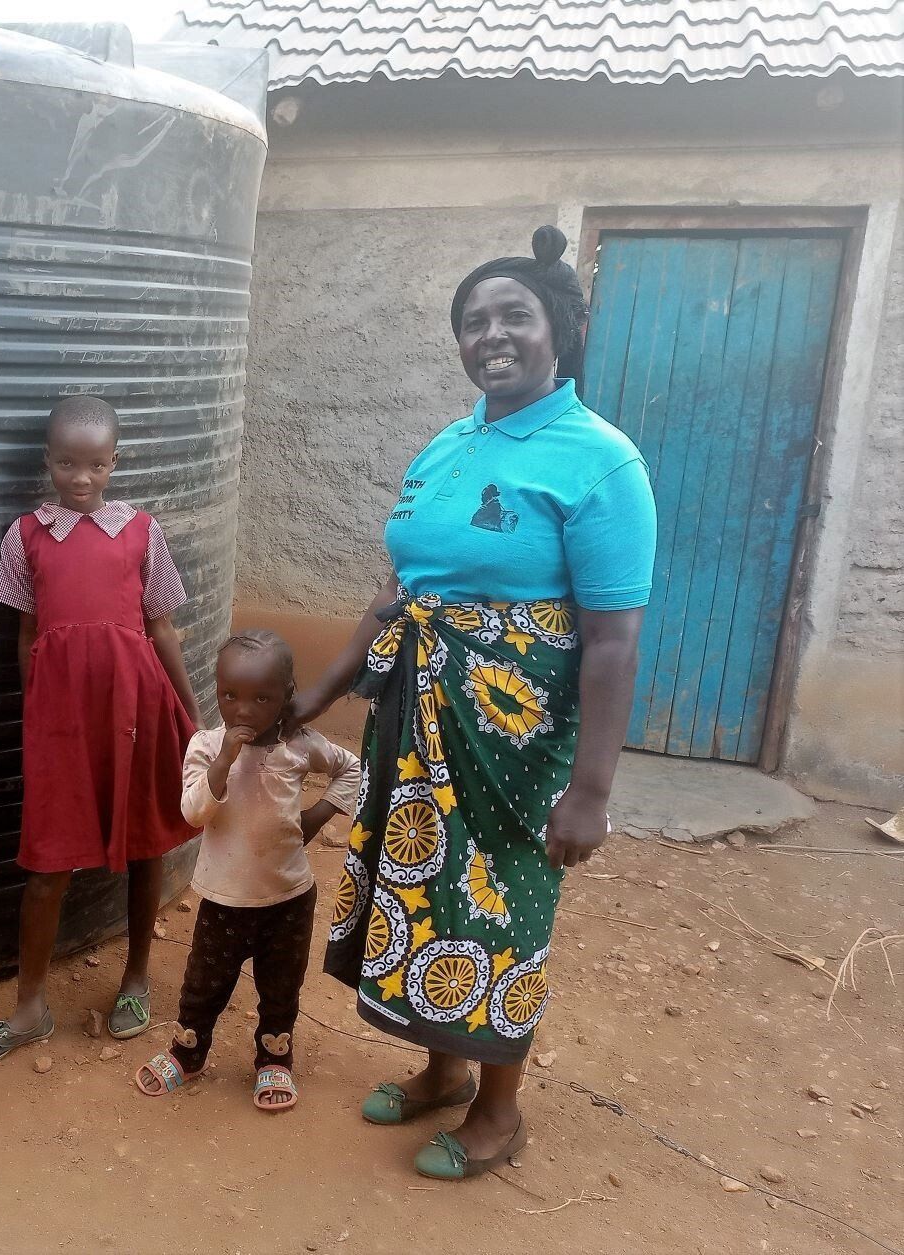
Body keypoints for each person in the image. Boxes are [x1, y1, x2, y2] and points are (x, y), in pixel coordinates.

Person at [293, 225, 656, 1179]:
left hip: (516, 733)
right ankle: (442, 1066)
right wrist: (313, 698)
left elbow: (614, 639)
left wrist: (592, 790)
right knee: (419, 890)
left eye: (514, 316)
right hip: (418, 715)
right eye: (472, 321)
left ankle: (501, 1109)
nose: (490, 334)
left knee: (501, 905)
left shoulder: (600, 460)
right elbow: (397, 591)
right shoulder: (452, 442)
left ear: (560, 332)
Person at [0, 396, 201, 1066]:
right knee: (47, 859)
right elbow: (27, 635)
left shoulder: (141, 531)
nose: (82, 478)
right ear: (49, 461)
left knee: (146, 840)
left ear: (114, 461)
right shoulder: (26, 535)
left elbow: (161, 626)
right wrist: (35, 705)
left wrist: (193, 712)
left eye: (96, 464)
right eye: (68, 463)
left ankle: (136, 978)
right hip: (61, 715)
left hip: (135, 705)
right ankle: (30, 1005)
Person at [134, 630, 359, 1110]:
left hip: (289, 898)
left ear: (287, 698)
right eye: (229, 695)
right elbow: (194, 813)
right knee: (203, 987)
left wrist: (317, 817)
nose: (243, 710)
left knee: (281, 987)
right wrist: (223, 762)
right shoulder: (205, 746)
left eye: (262, 698)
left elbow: (351, 768)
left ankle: (273, 1061)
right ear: (216, 691)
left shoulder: (298, 745)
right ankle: (187, 1054)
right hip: (223, 899)